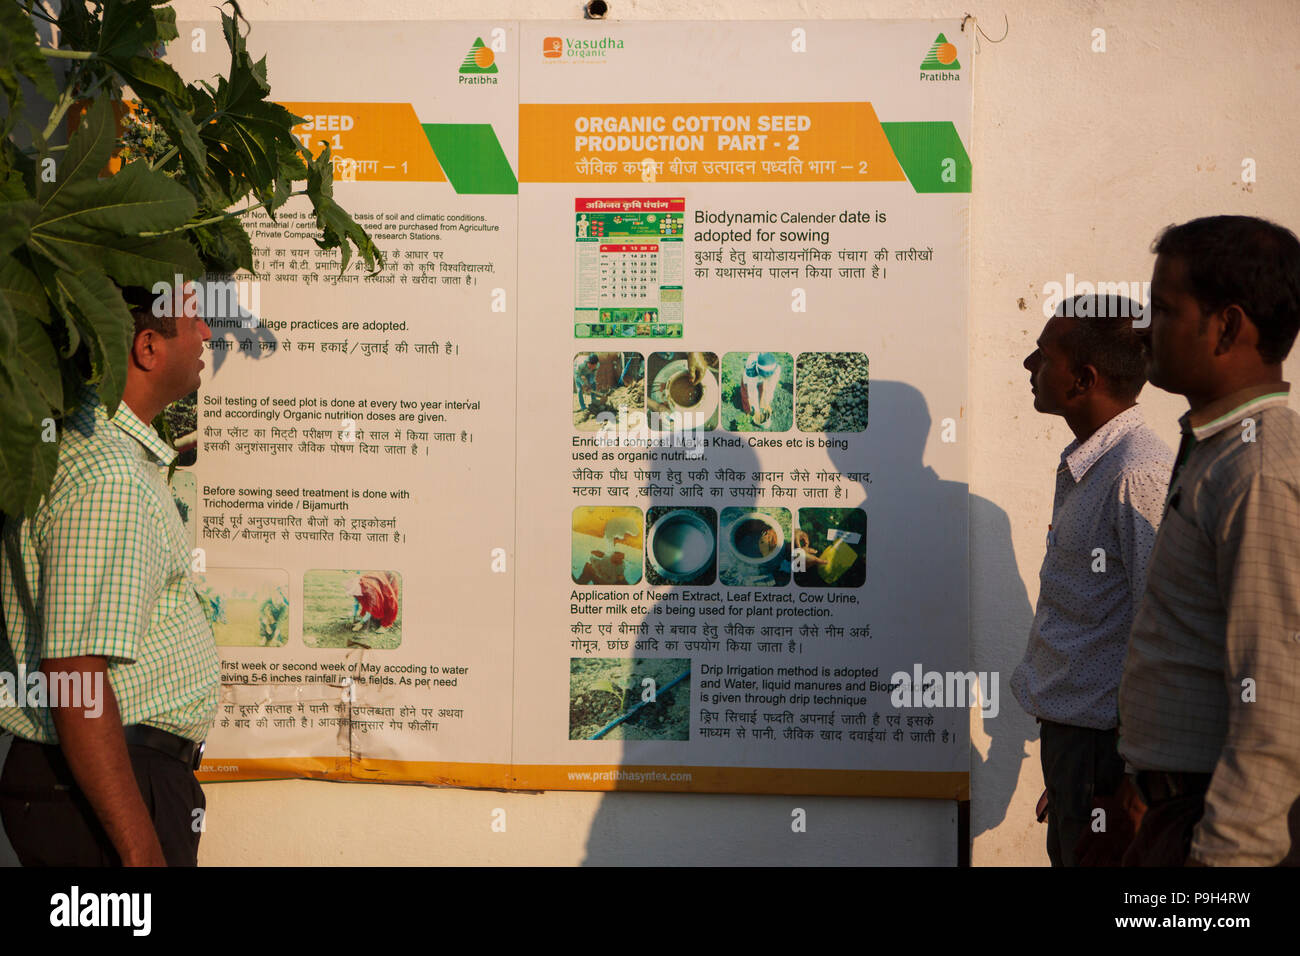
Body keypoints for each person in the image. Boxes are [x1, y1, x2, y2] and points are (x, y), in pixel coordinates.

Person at [0, 283, 220, 866]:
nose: (206, 335)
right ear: (147, 348)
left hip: (104, 779)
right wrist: (142, 850)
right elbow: (76, 676)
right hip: (105, 788)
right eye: (195, 321)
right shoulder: (108, 479)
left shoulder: (101, 457)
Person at [1118, 215, 1300, 866]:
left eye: (1163, 309)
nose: (1146, 326)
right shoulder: (1218, 449)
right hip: (1175, 810)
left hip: (1216, 834)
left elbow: (1275, 700)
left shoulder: (1255, 473)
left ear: (1226, 326)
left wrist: (1223, 867)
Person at [1010, 295, 1173, 866]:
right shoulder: (1091, 463)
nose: (1029, 366)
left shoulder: (1137, 472)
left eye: (1041, 355)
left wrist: (1132, 778)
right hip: (1083, 753)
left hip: (1111, 757)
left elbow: (1166, 630)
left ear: (1083, 378)